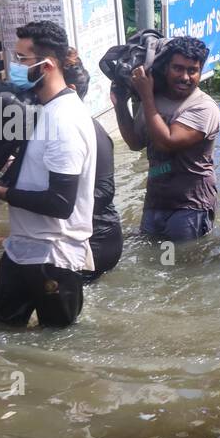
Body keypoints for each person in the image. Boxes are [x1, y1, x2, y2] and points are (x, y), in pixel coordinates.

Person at [0, 20, 97, 328]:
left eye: (22, 60)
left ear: (47, 66)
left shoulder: (65, 122)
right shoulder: (42, 111)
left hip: (54, 258)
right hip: (21, 249)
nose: (14, 67)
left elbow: (59, 203)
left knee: (57, 346)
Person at [113, 36, 220, 241]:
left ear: (200, 72)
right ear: (166, 69)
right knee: (157, 267)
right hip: (156, 201)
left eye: (192, 70)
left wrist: (146, 97)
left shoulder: (204, 107)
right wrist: (119, 103)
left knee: (177, 268)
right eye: (178, 68)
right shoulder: (155, 100)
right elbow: (135, 142)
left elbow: (167, 142)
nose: (185, 77)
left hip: (190, 206)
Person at [66, 61, 122, 281]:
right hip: (80, 239)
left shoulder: (89, 131)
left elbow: (105, 192)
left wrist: (49, 201)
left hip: (94, 240)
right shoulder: (57, 127)